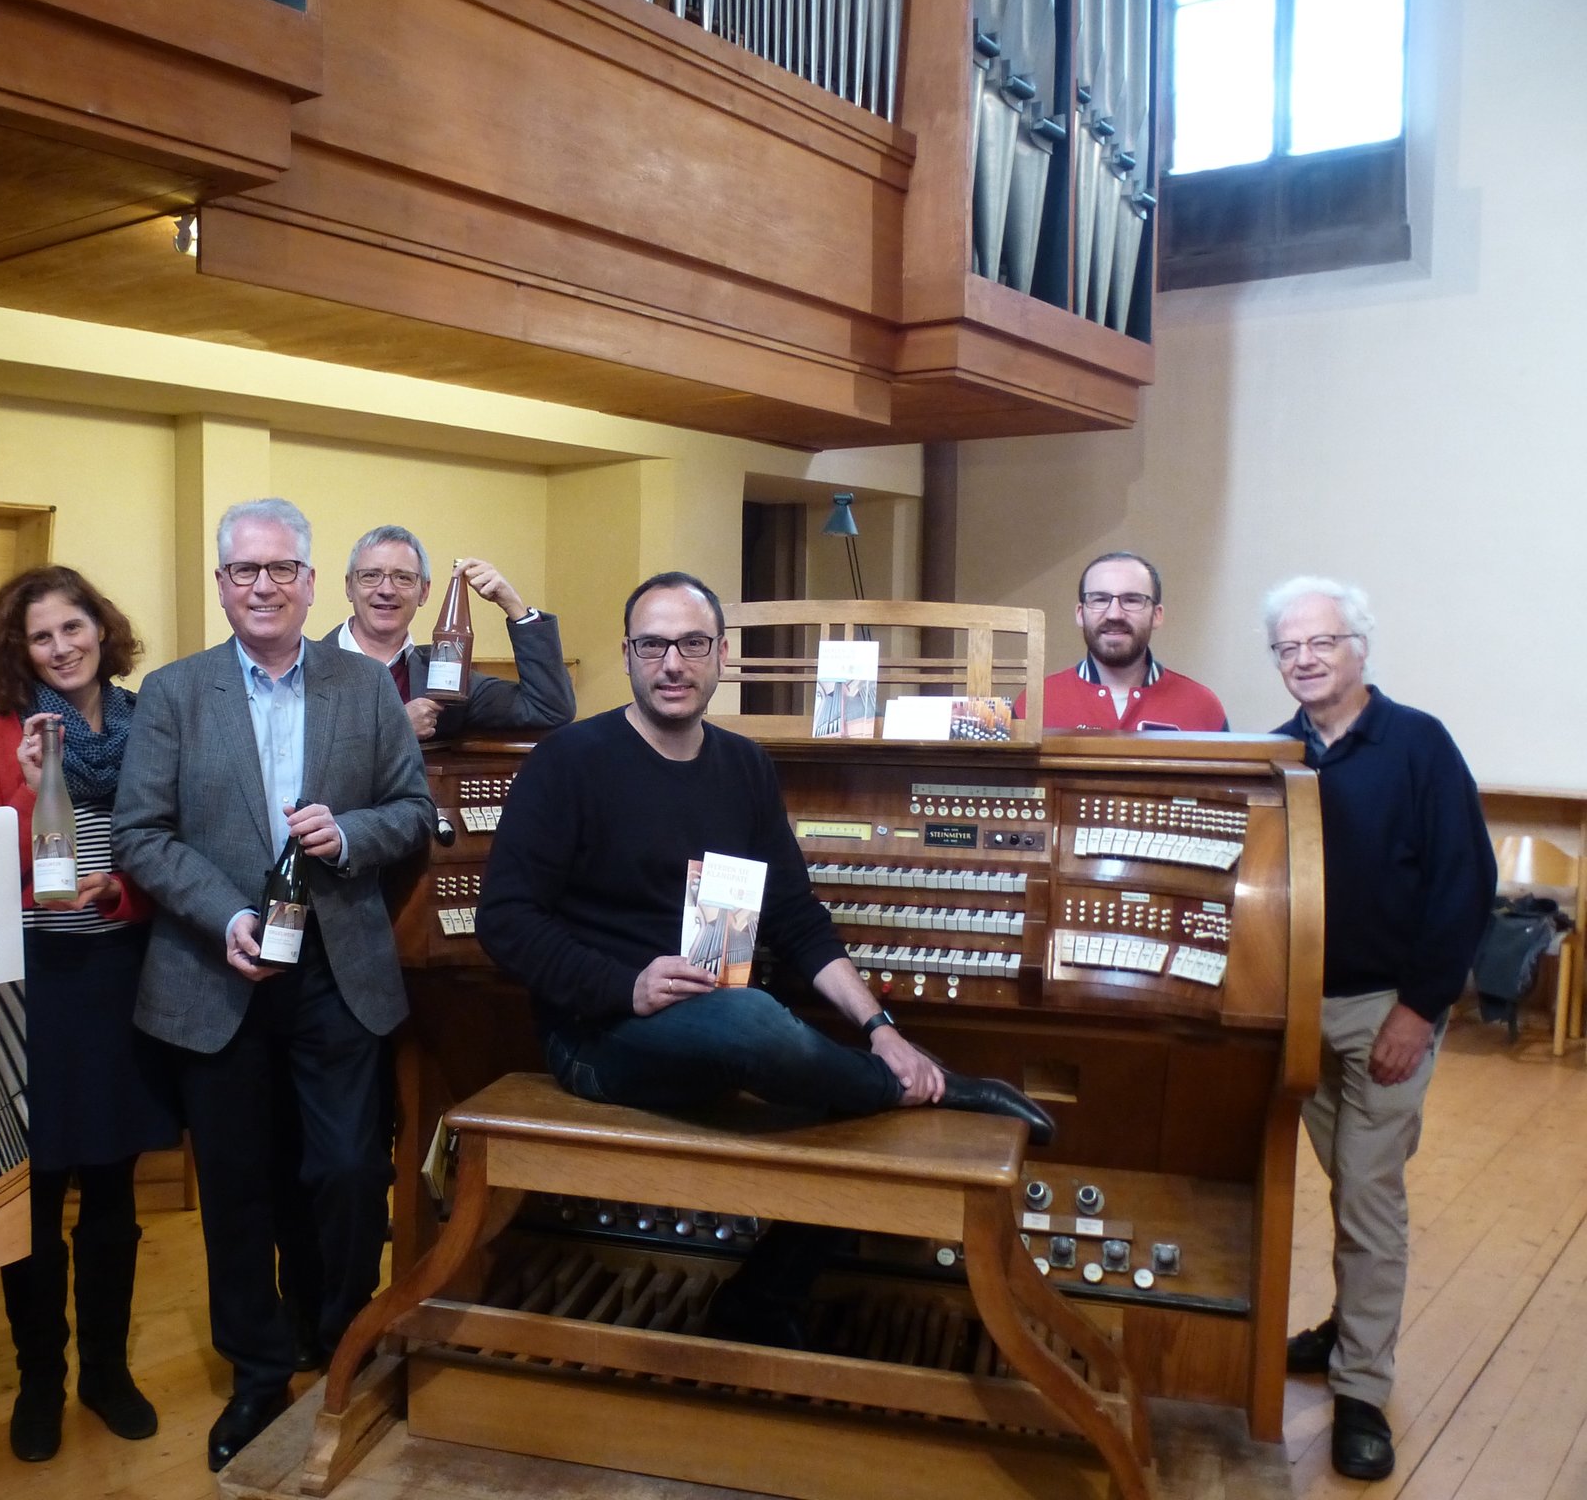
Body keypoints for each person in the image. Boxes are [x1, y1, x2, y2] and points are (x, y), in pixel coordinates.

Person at [474, 571, 1052, 1342]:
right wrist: (626, 985)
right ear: (629, 654)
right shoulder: (569, 760)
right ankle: (929, 1091)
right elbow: (504, 919)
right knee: (753, 1020)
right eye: (653, 645)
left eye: (692, 644)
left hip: (716, 1021)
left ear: (721, 655)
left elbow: (794, 916)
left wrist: (880, 1027)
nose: (672, 663)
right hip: (600, 1037)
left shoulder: (744, 765)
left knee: (817, 1086)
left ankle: (766, 1293)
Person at [113, 498, 434, 1471]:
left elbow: (412, 809)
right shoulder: (174, 693)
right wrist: (225, 916)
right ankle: (257, 1372)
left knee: (348, 1173)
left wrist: (351, 833)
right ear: (222, 585)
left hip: (337, 970)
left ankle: (340, 1341)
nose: (264, 585)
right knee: (239, 1189)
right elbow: (139, 834)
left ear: (308, 582)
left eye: (281, 568)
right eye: (245, 570)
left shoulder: (363, 687)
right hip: (218, 976)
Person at [0, 567, 180, 1464]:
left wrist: (120, 891)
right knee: (36, 1195)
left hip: (122, 976)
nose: (61, 648)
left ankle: (107, 1374)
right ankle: (39, 1380)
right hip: (28, 985)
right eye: (41, 636)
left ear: (100, 629)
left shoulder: (150, 727)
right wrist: (26, 784)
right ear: (21, 650)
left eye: (73, 627)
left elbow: (171, 846)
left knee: (113, 1192)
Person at [1265, 577, 1493, 1482]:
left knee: (1368, 1196)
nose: (1305, 659)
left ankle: (1361, 1389)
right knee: (1340, 1181)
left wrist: (1418, 1011)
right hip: (1292, 1010)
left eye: (1322, 642)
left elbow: (1464, 883)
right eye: (1288, 648)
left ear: (1359, 647)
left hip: (1384, 1011)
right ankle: (1345, 1328)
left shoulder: (1419, 744)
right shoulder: (1276, 753)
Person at [327, 524, 574, 740]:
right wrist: (397, 726)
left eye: (403, 578)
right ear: (349, 587)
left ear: (424, 592)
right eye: (371, 576)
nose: (387, 590)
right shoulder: (309, 665)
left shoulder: (444, 671)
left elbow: (549, 709)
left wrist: (514, 607)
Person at [1033, 551, 1228, 731]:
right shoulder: (1036, 704)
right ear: (1080, 614)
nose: (1114, 614)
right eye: (1100, 599)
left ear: (1157, 615)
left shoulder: (1203, 708)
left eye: (1132, 600)